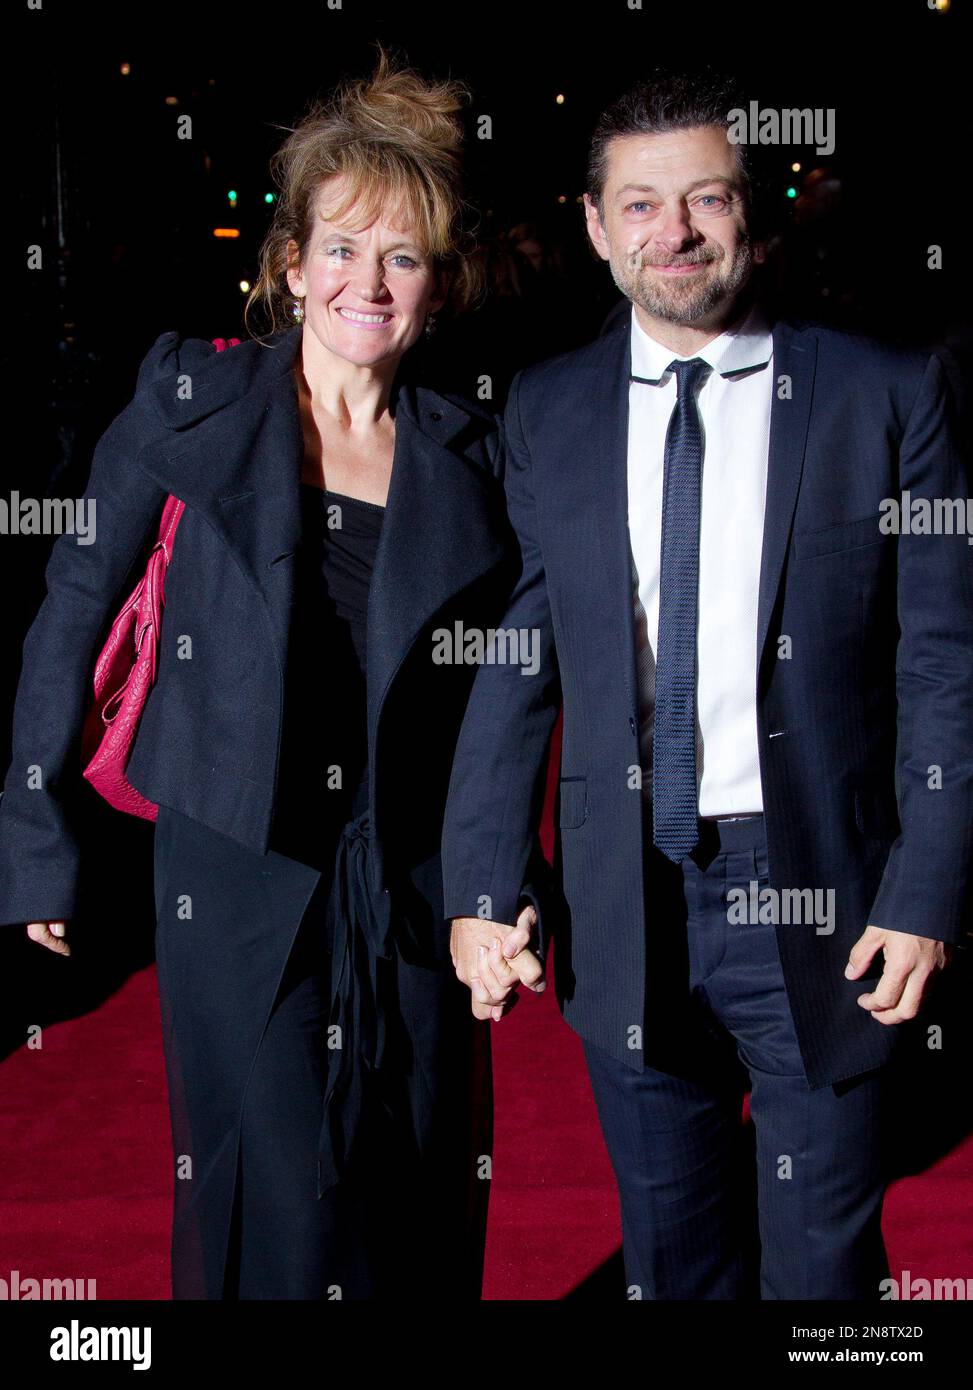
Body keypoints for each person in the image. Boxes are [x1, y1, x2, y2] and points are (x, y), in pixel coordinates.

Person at [0, 50, 544, 1300]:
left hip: (406, 868)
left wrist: (496, 876)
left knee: (411, 1156)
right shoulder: (191, 402)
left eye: (401, 257)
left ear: (434, 286)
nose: (369, 281)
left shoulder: (470, 458)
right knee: (274, 1178)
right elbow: (74, 603)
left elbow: (495, 699)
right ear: (289, 267)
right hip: (236, 863)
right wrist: (34, 824)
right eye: (342, 249)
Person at [443, 70, 973, 1299]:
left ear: (752, 209)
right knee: (673, 1266)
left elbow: (944, 659)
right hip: (622, 896)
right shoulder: (549, 407)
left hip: (830, 901)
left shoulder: (883, 392)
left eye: (703, 197)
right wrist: (481, 874)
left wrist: (928, 887)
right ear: (593, 224)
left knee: (821, 1271)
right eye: (639, 204)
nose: (671, 232)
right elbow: (524, 653)